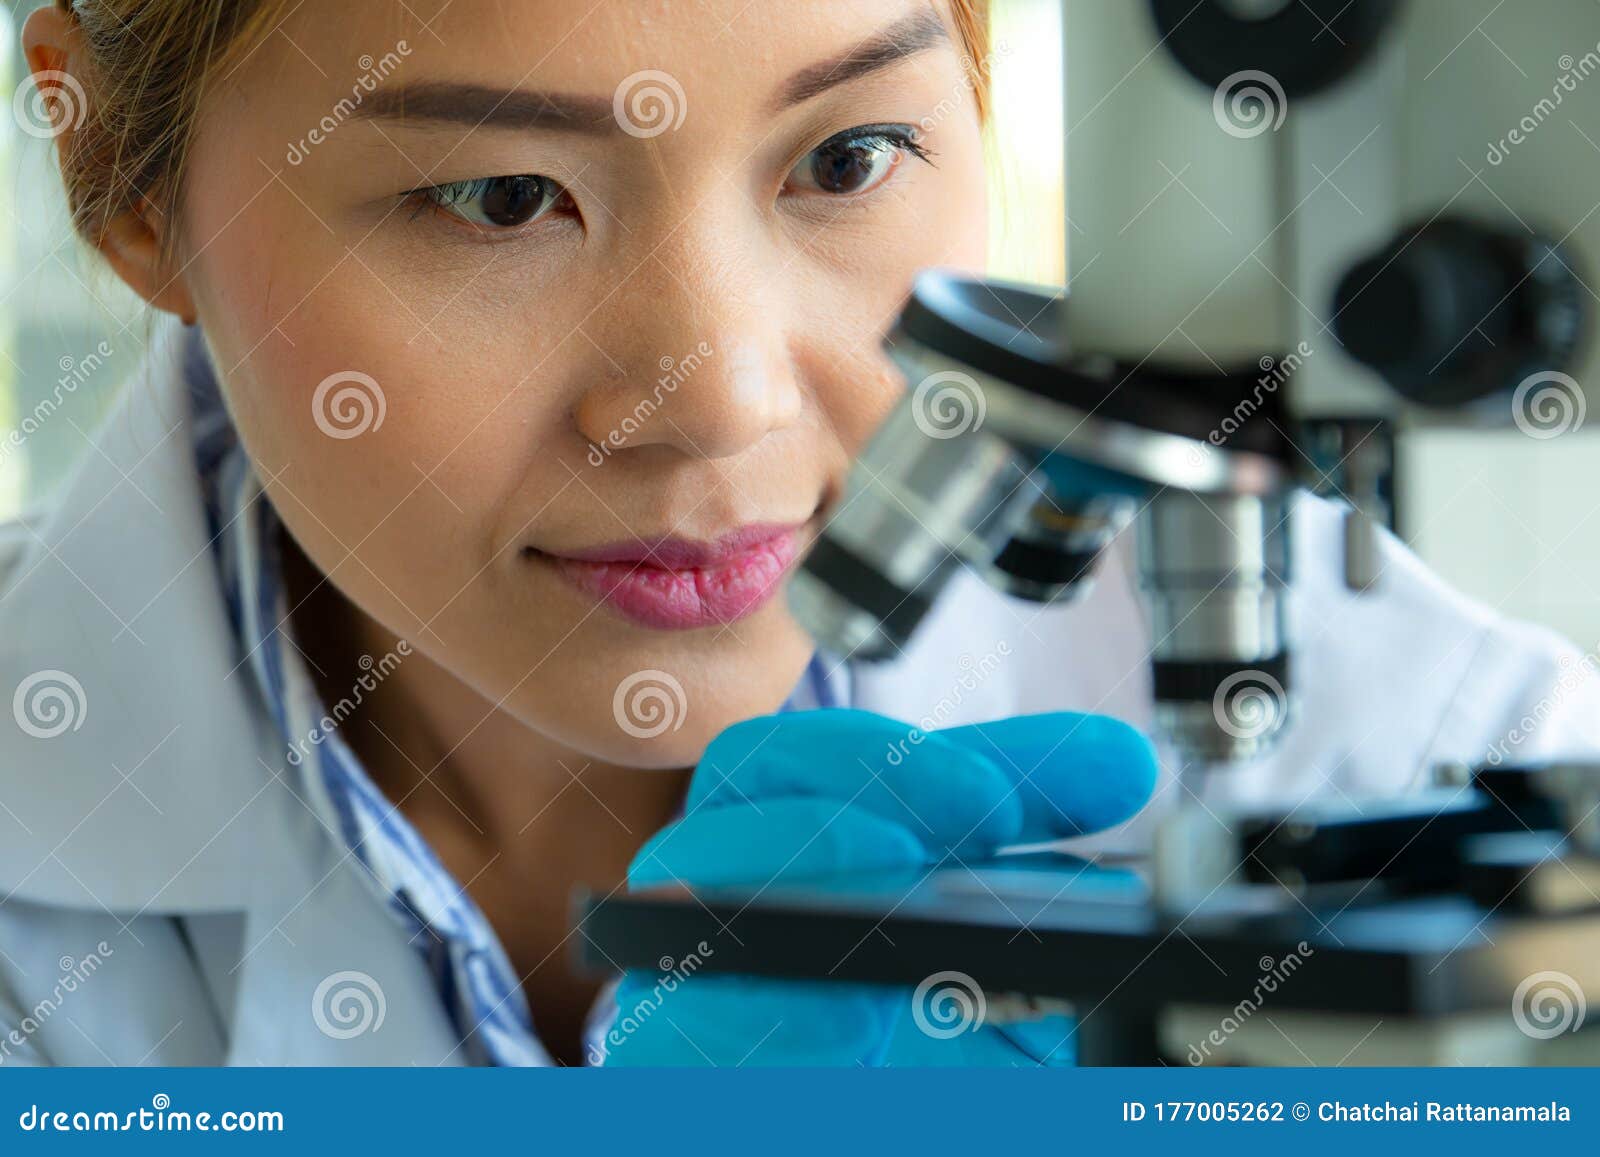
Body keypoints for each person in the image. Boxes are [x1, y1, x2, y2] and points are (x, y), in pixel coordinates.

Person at [2, 0, 1596, 1068]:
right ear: (116, 178)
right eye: (498, 197)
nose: (722, 405)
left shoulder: (1442, 750)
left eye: (848, 159)